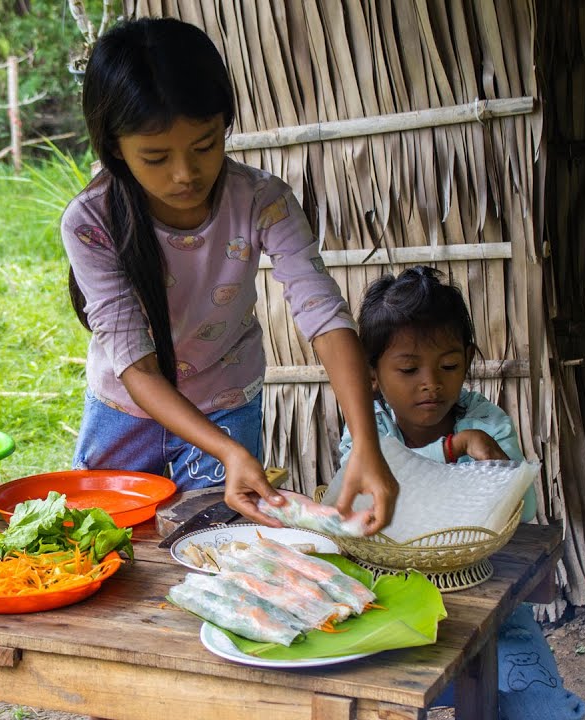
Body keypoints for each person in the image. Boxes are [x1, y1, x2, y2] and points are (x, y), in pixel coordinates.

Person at [60, 17, 397, 533]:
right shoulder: (91, 222)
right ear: (114, 147)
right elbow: (138, 367)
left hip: (225, 401)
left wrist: (367, 444)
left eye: (205, 145)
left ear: (225, 125)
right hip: (125, 409)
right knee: (108, 545)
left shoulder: (262, 201)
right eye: (155, 157)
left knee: (221, 548)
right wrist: (227, 451)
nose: (185, 175)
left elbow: (325, 316)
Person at [324, 266, 585, 720]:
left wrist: (496, 461)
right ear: (371, 375)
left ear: (466, 359)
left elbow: (518, 509)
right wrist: (451, 448)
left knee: (543, 710)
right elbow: (371, 499)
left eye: (448, 366)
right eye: (408, 369)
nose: (431, 382)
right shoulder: (370, 430)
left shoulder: (485, 424)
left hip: (494, 607)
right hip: (389, 604)